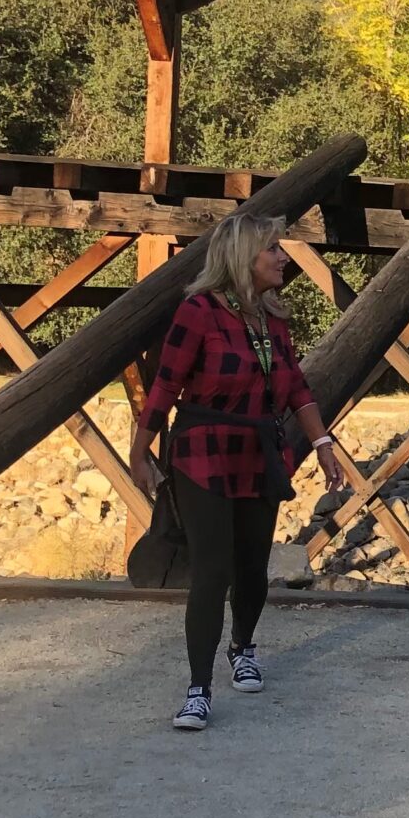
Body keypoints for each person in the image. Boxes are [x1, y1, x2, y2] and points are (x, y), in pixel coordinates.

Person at [128, 211, 340, 730]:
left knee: (251, 565)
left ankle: (242, 646)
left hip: (259, 449)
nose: (283, 258)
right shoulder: (198, 312)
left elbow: (295, 388)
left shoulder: (274, 320)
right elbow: (166, 386)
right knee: (212, 569)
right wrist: (140, 450)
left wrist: (323, 441)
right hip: (203, 448)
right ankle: (197, 689)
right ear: (245, 255)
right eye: (274, 250)